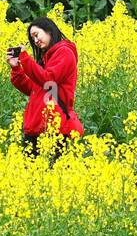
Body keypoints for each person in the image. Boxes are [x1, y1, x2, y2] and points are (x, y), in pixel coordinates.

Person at [8, 17, 83, 154]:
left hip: (56, 129)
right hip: (36, 128)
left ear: (49, 30)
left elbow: (49, 80)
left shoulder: (65, 53)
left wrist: (25, 58)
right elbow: (32, 88)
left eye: (36, 35)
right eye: (33, 38)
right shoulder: (46, 59)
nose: (35, 41)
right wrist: (16, 69)